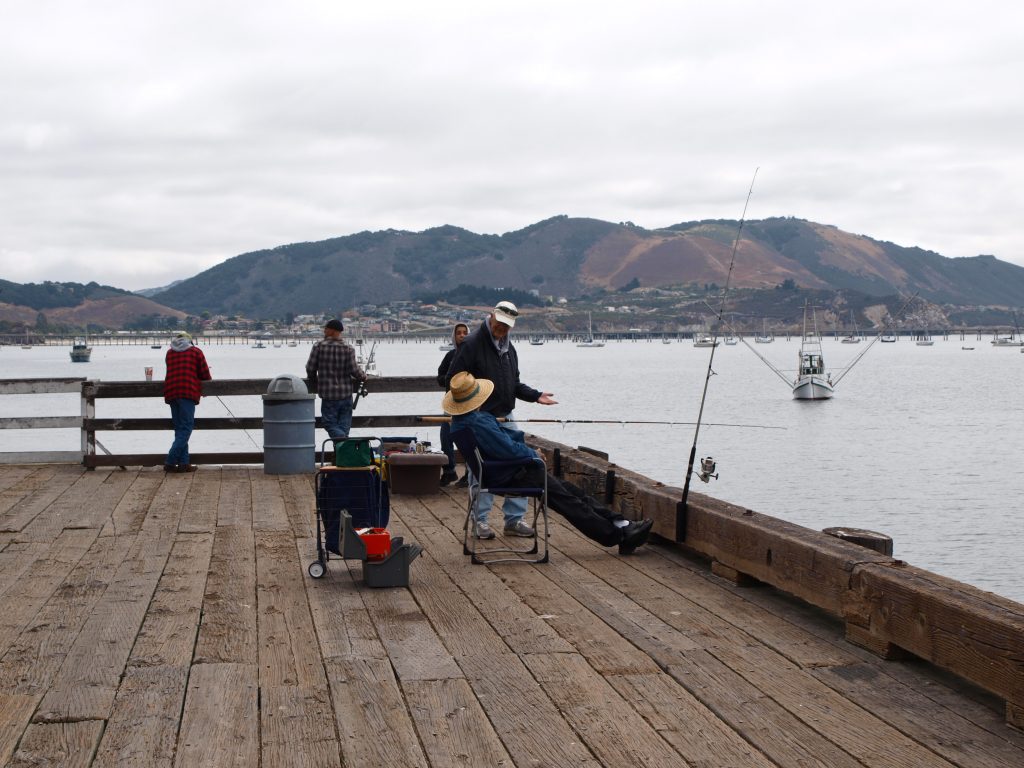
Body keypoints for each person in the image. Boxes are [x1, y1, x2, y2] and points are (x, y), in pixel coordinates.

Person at [443, 372, 654, 555]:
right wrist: (533, 454)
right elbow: (507, 449)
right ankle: (617, 535)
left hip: (504, 472)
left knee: (572, 492)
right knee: (568, 501)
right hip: (511, 475)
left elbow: (504, 441)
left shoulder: (460, 422)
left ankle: (621, 523)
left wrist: (526, 450)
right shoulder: (478, 422)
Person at [446, 300, 557, 540]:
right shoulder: (471, 344)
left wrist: (535, 396)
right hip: (480, 417)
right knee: (481, 468)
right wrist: (469, 410)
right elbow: (452, 380)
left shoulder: (510, 349)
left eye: (507, 326)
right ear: (491, 315)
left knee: (520, 462)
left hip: (506, 414)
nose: (501, 328)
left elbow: (514, 384)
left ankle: (514, 520)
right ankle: (480, 520)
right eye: (499, 323)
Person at [305, 319, 367, 441]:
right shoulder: (348, 348)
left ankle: (343, 442)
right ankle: (344, 447)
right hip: (346, 395)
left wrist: (313, 380)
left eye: (326, 328)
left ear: (333, 331)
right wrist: (364, 376)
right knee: (344, 427)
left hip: (328, 395)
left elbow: (310, 368)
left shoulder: (318, 346)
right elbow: (354, 370)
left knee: (329, 423)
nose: (324, 330)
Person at [163, 331, 212, 473]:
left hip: (171, 392)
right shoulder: (196, 352)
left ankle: (184, 463)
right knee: (186, 428)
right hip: (187, 392)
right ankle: (170, 461)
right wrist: (207, 384)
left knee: (180, 428)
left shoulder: (169, 353)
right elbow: (204, 374)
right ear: (190, 341)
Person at [437, 322, 469, 486]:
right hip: (450, 403)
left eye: (465, 333)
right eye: (459, 333)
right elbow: (440, 377)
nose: (462, 335)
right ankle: (449, 471)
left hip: (469, 404)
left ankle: (470, 473)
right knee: (445, 437)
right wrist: (451, 381)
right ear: (454, 336)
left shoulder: (473, 355)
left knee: (467, 438)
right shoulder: (450, 356)